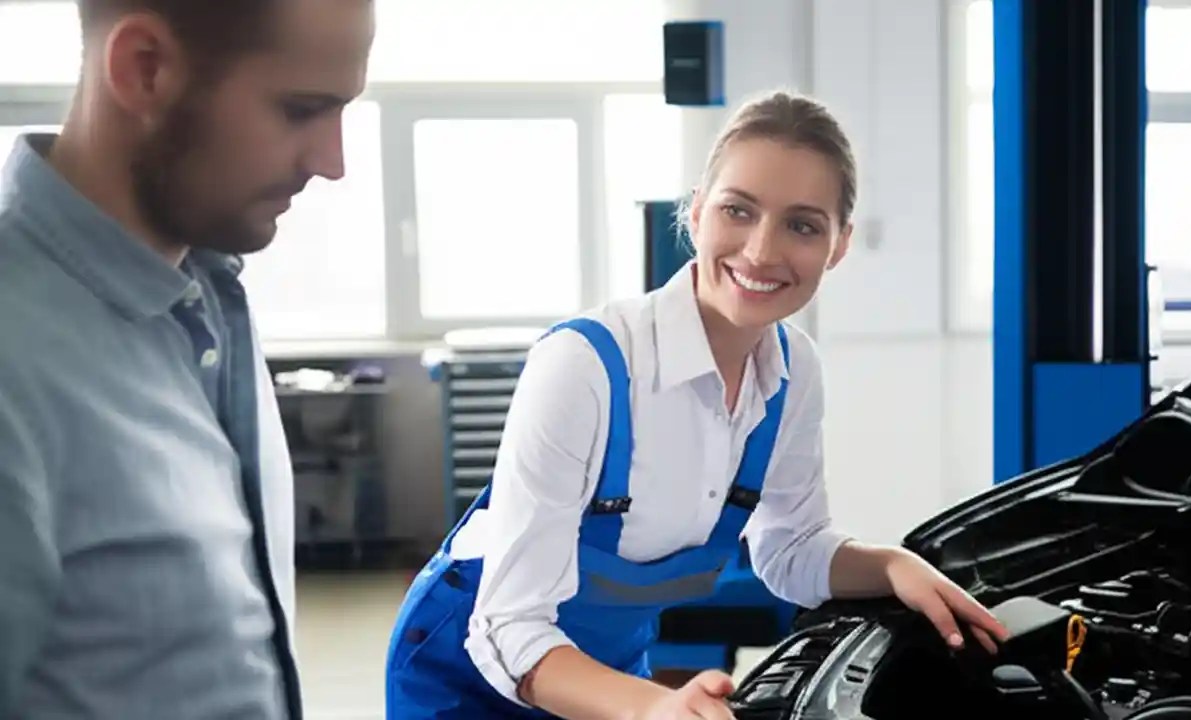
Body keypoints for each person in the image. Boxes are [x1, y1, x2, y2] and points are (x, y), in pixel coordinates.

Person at [385, 89, 1011, 720]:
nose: (762, 251)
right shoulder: (587, 366)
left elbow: (790, 553)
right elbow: (508, 627)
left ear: (839, 244)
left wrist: (892, 565)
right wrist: (651, 709)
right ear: (696, 210)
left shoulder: (794, 371)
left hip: (607, 673)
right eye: (738, 210)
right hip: (468, 673)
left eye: (801, 225)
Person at [0, 1, 374, 717]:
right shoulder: (14, 363)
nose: (333, 162)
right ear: (145, 70)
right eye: (300, 110)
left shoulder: (208, 299)